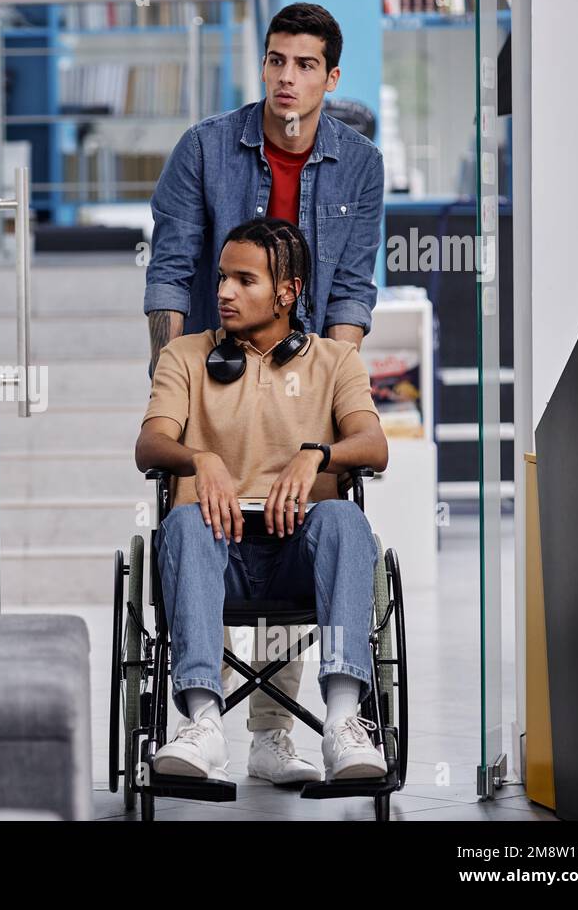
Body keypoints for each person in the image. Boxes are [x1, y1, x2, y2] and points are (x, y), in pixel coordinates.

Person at [143, 2, 385, 783]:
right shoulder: (206, 149)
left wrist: (323, 388)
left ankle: (283, 731)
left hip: (307, 372)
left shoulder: (359, 163)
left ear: (330, 77)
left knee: (317, 519)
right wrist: (183, 374)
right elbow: (172, 269)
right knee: (203, 517)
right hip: (217, 364)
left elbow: (349, 291)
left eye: (305, 65)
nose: (287, 78)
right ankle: (203, 723)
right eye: (276, 61)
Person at [135, 218, 389, 782]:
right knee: (183, 521)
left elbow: (374, 445)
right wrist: (202, 460)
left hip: (298, 556)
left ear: (288, 292)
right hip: (215, 556)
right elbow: (149, 443)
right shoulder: (184, 356)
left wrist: (317, 454)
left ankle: (343, 724)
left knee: (345, 517)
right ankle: (202, 724)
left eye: (244, 280)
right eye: (222, 277)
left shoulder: (333, 361)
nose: (224, 291)